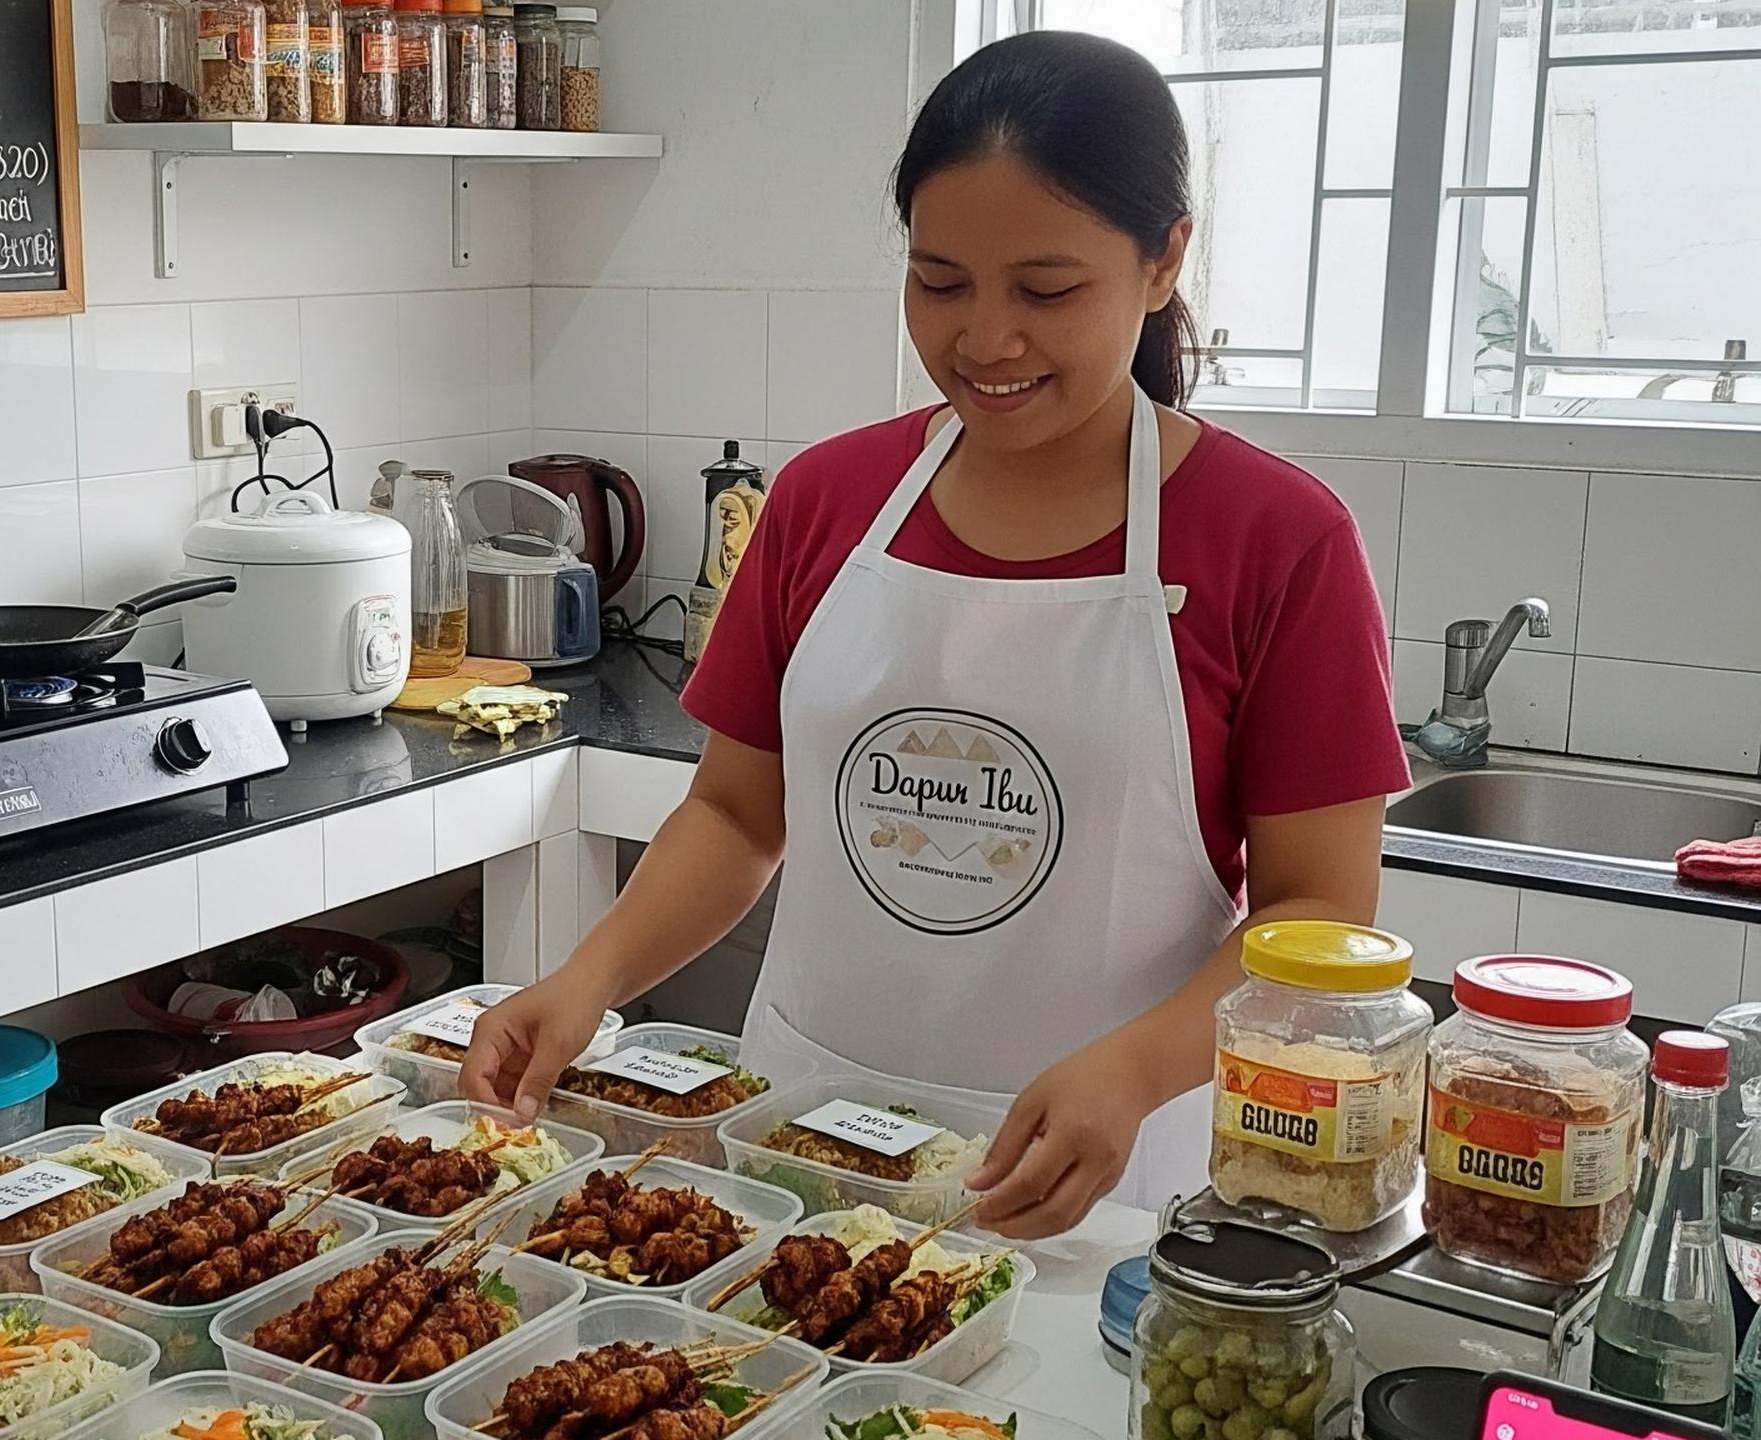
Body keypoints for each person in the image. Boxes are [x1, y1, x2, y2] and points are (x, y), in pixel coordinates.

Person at [460, 31, 1408, 1239]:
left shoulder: (1276, 539)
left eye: (1046, 291)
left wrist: (1131, 1069)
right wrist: (585, 981)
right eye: (940, 281)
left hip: (1098, 1182)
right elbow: (740, 812)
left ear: (1163, 259)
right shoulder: (826, 501)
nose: (985, 340)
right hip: (798, 1135)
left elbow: (1315, 918)